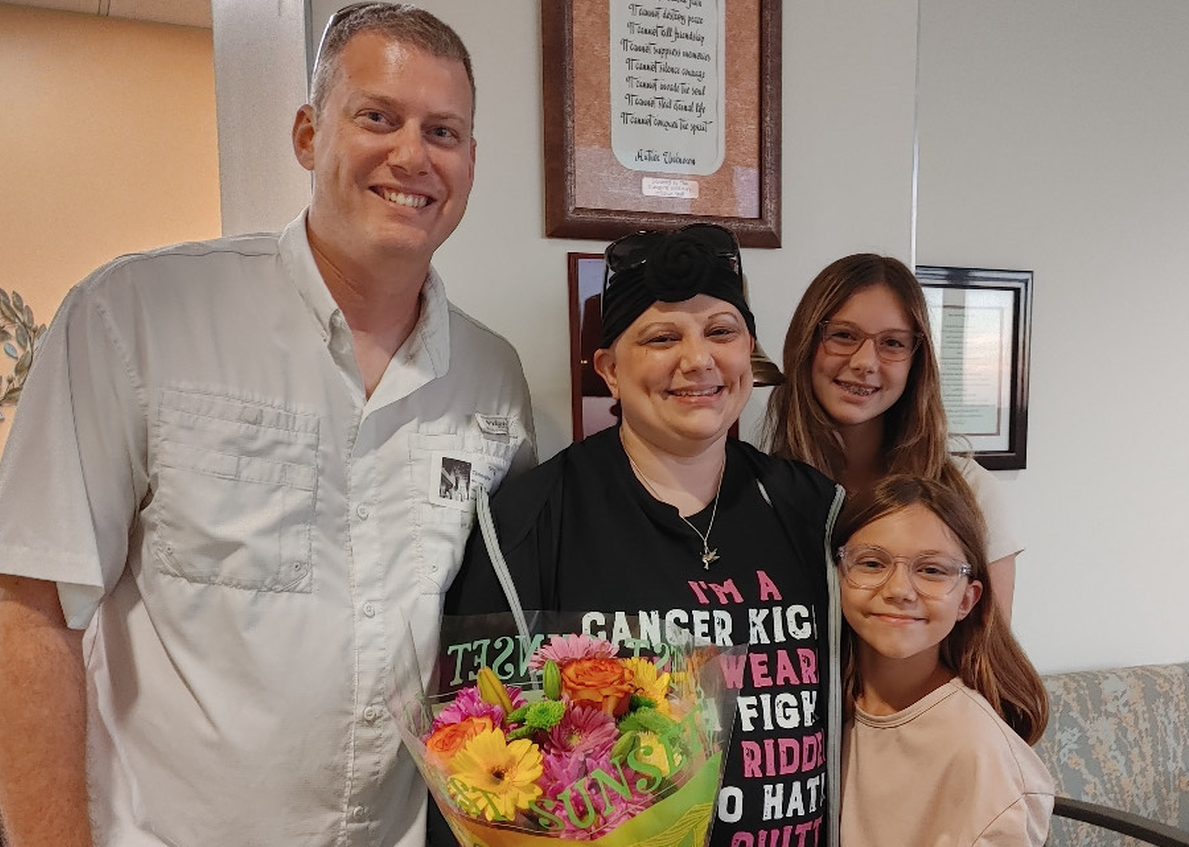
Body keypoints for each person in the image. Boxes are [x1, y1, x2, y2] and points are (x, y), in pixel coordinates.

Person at [0, 2, 535, 847]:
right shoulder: (131, 317)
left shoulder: (493, 380)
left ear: (469, 161)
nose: (412, 155)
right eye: (378, 117)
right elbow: (26, 610)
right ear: (309, 136)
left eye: (443, 132)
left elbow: (494, 634)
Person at [440, 224, 845, 847]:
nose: (698, 360)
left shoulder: (813, 510)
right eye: (662, 337)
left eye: (721, 332)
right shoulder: (528, 521)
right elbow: (471, 763)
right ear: (610, 369)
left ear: (749, 350)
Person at [763, 254, 1022, 620]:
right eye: (843, 335)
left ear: (916, 362)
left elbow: (989, 648)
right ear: (805, 344)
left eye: (893, 343)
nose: (865, 362)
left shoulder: (971, 491)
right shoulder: (758, 493)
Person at [833, 475, 1052, 845]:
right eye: (871, 563)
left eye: (931, 570)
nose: (899, 590)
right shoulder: (825, 707)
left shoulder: (979, 752)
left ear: (966, 599)